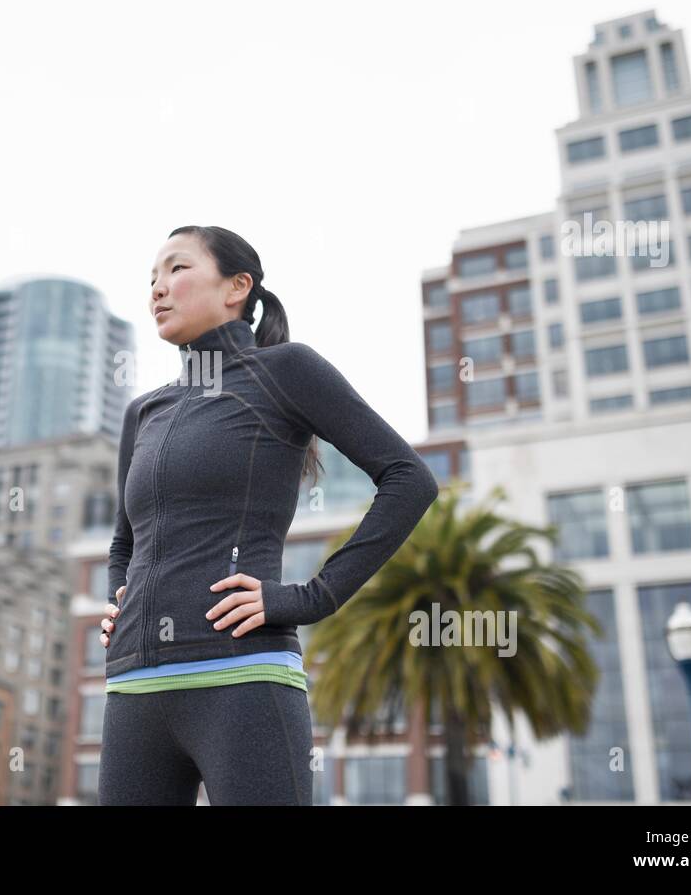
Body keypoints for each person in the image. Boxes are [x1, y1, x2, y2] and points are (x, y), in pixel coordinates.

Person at [97, 225, 439, 805]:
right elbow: (123, 544)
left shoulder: (285, 371)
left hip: (242, 679)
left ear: (237, 286)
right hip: (133, 689)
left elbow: (409, 479)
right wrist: (118, 600)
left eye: (177, 269)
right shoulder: (143, 412)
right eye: (151, 277)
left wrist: (309, 597)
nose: (158, 288)